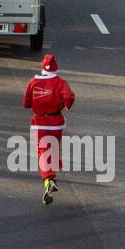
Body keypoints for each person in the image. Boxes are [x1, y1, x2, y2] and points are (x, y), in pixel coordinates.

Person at [23, 54, 76, 205]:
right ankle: (51, 177)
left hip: (40, 122)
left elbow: (26, 103)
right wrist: (65, 105)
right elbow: (70, 97)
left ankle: (48, 180)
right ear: (56, 67)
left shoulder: (33, 82)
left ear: (42, 66)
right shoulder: (60, 82)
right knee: (53, 148)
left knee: (42, 151)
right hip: (56, 122)